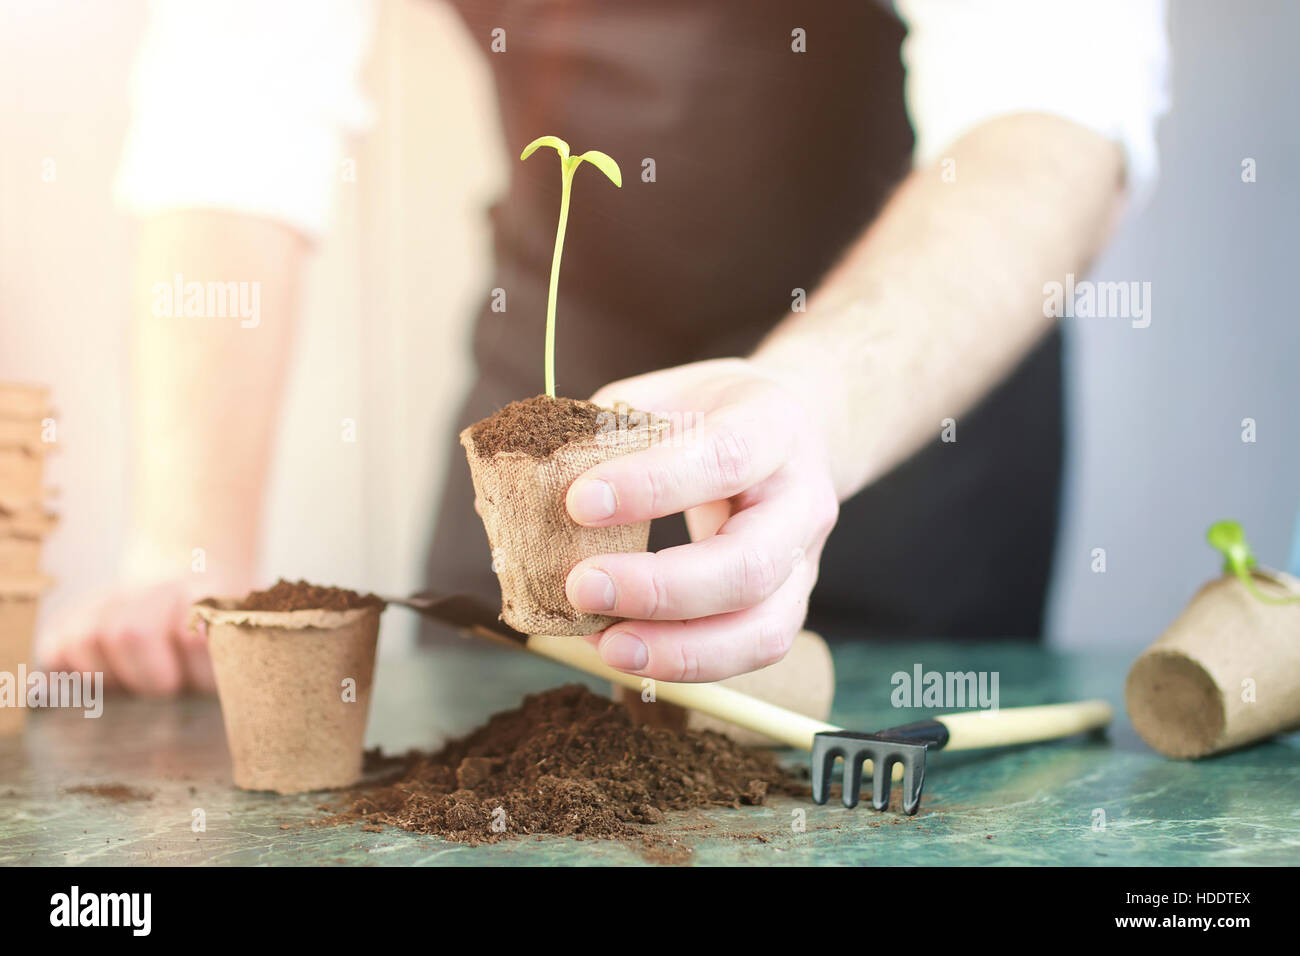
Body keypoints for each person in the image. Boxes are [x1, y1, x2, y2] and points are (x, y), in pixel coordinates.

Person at [42, 0, 1169, 693]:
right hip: (561, 334)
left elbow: (1051, 100)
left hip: (888, 370)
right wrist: (187, 549)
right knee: (497, 734)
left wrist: (808, 399)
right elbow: (238, 103)